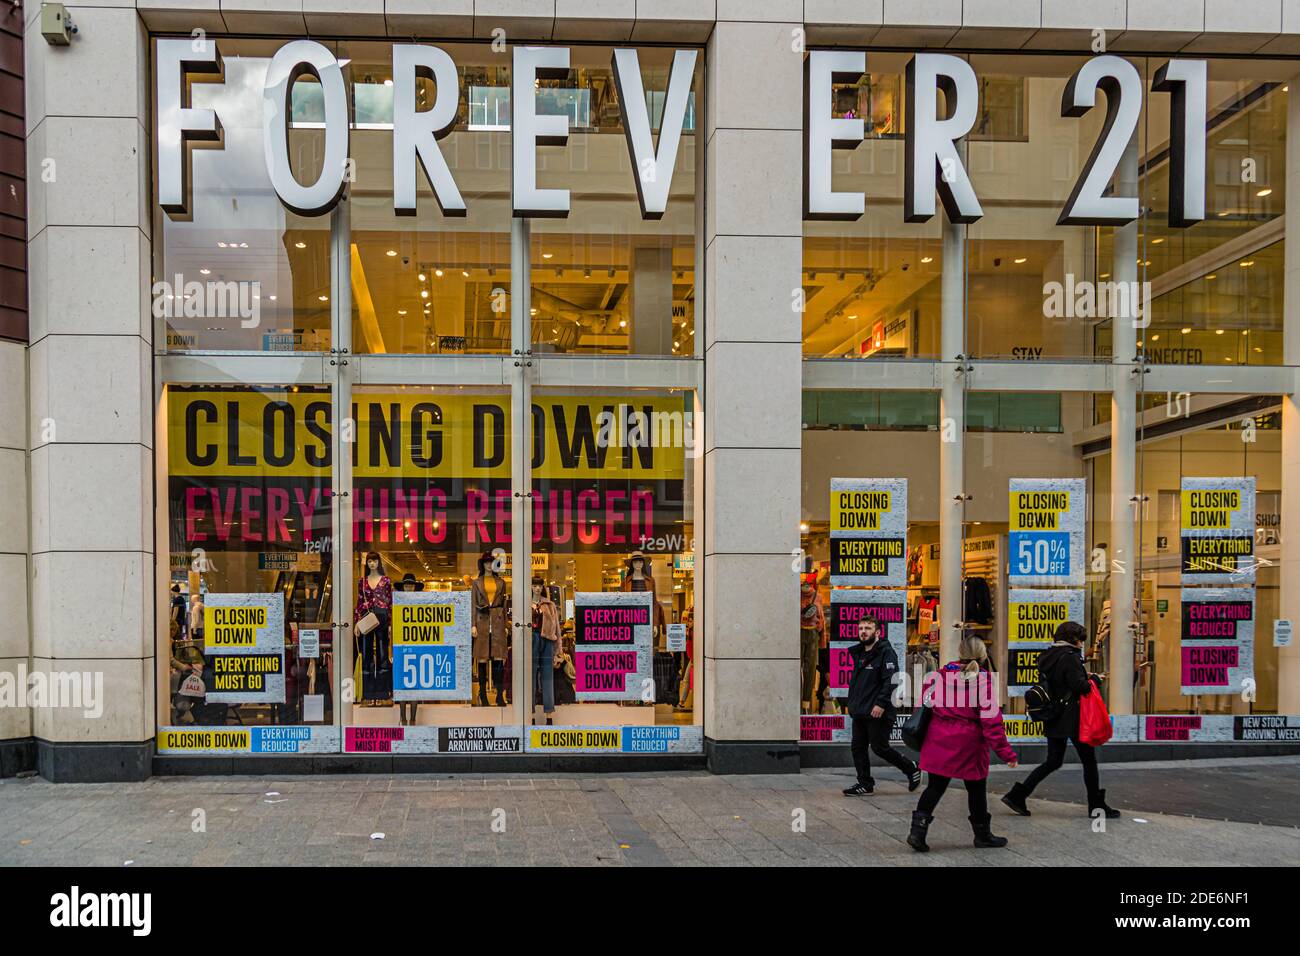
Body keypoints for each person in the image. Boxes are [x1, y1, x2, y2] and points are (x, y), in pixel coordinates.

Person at [907, 634, 1018, 852]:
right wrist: (1006, 753)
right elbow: (991, 721)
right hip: (969, 745)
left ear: (960, 653)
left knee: (935, 787)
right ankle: (982, 835)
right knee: (976, 789)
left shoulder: (937, 676)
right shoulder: (983, 679)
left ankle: (917, 832)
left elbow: (922, 706)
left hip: (938, 740)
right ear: (983, 655)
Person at [1001, 620, 1119, 819]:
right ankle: (1096, 806)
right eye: (1080, 640)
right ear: (1072, 638)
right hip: (1072, 718)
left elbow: (1059, 681)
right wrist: (1094, 679)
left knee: (1053, 761)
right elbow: (1080, 687)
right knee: (1089, 760)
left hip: (1053, 715)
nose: (1082, 644)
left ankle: (1018, 795)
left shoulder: (1048, 655)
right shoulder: (1070, 657)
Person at [842, 616, 921, 796]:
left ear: (877, 632)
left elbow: (891, 681)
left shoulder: (886, 652)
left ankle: (911, 768)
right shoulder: (860, 653)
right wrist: (853, 705)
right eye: (861, 628)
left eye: (868, 628)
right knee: (857, 747)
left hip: (879, 711)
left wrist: (880, 704)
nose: (863, 631)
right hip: (861, 711)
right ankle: (865, 783)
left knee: (879, 747)